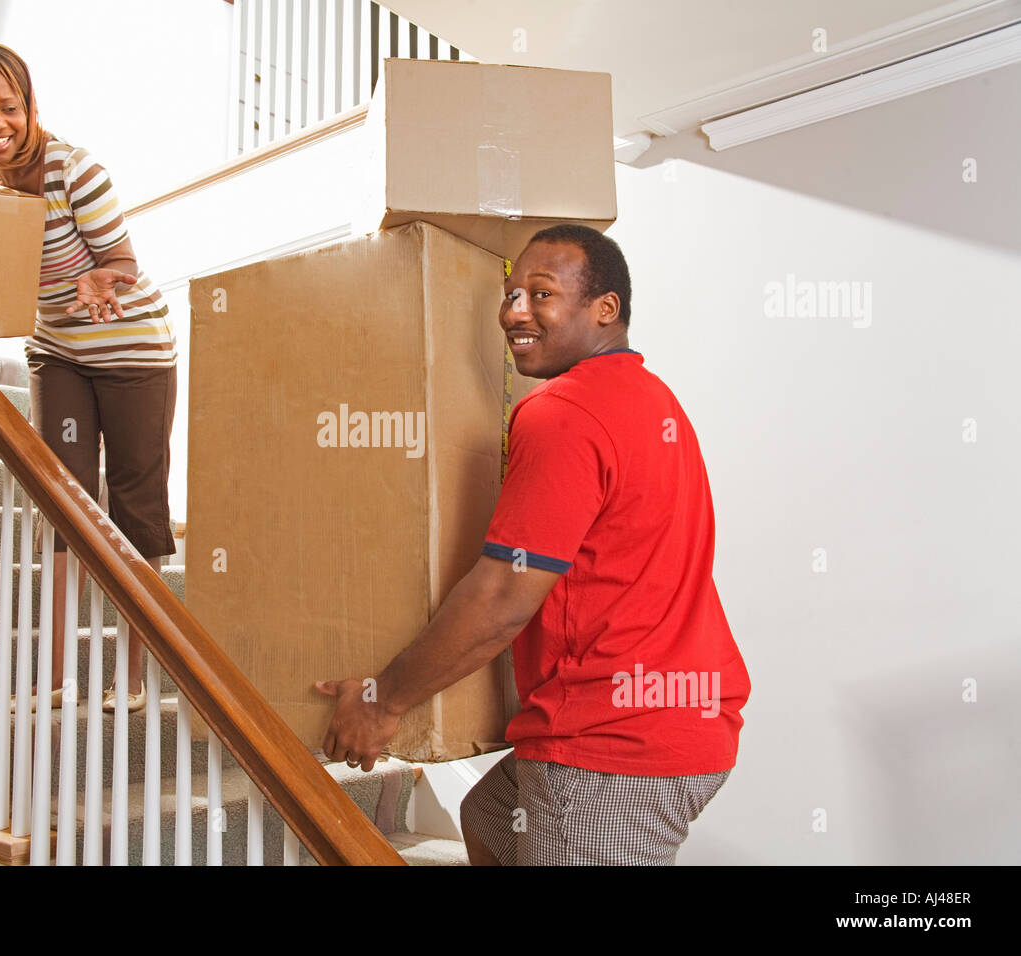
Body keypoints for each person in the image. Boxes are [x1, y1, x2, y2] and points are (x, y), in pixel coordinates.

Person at [316, 224, 751, 865]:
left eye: (541, 294)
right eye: (511, 294)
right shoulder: (654, 399)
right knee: (491, 819)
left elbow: (501, 597)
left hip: (612, 742)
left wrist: (384, 702)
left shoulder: (563, 412)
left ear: (605, 308)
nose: (514, 312)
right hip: (686, 710)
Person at [0, 41, 176, 712]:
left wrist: (98, 278)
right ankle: (54, 674)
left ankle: (132, 674)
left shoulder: (75, 171)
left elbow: (122, 261)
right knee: (61, 499)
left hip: (132, 352)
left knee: (134, 500)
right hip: (58, 352)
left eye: (9, 106)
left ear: (28, 105)